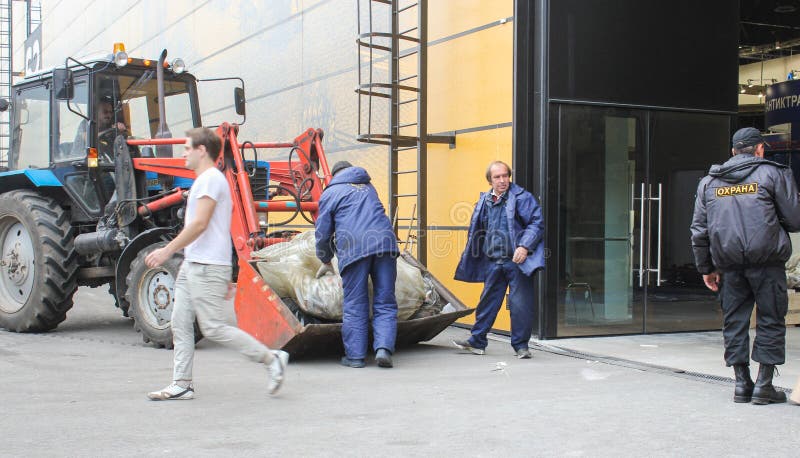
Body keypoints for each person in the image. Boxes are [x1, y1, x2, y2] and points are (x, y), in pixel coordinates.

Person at [145, 127, 288, 400]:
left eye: (187, 148)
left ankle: (272, 359)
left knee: (212, 327)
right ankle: (182, 383)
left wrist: (166, 251)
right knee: (180, 322)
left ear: (202, 151)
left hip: (207, 266)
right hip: (194, 263)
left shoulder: (211, 179)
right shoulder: (206, 180)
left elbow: (200, 223)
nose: (183, 153)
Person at [691, 127, 800, 405]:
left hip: (728, 266)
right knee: (771, 319)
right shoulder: (773, 174)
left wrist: (706, 268)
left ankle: (742, 384)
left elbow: (699, 231)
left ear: (733, 152)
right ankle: (764, 385)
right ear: (760, 149)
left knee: (734, 322)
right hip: (767, 263)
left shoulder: (708, 182)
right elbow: (795, 220)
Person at [452, 160, 544, 359]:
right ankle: (477, 342)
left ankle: (521, 346)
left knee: (520, 305)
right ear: (490, 180)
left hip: (517, 261)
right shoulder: (485, 200)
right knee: (487, 302)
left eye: (505, 176)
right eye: (497, 177)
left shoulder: (522, 197)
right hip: (493, 260)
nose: (502, 180)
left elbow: (536, 223)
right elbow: (480, 230)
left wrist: (524, 246)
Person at [315, 161, 399, 368]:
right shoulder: (369, 187)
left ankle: (355, 356)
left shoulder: (330, 193)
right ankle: (383, 349)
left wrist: (325, 257)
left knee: (355, 302)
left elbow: (323, 232)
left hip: (355, 247)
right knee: (385, 300)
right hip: (386, 244)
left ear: (334, 176)